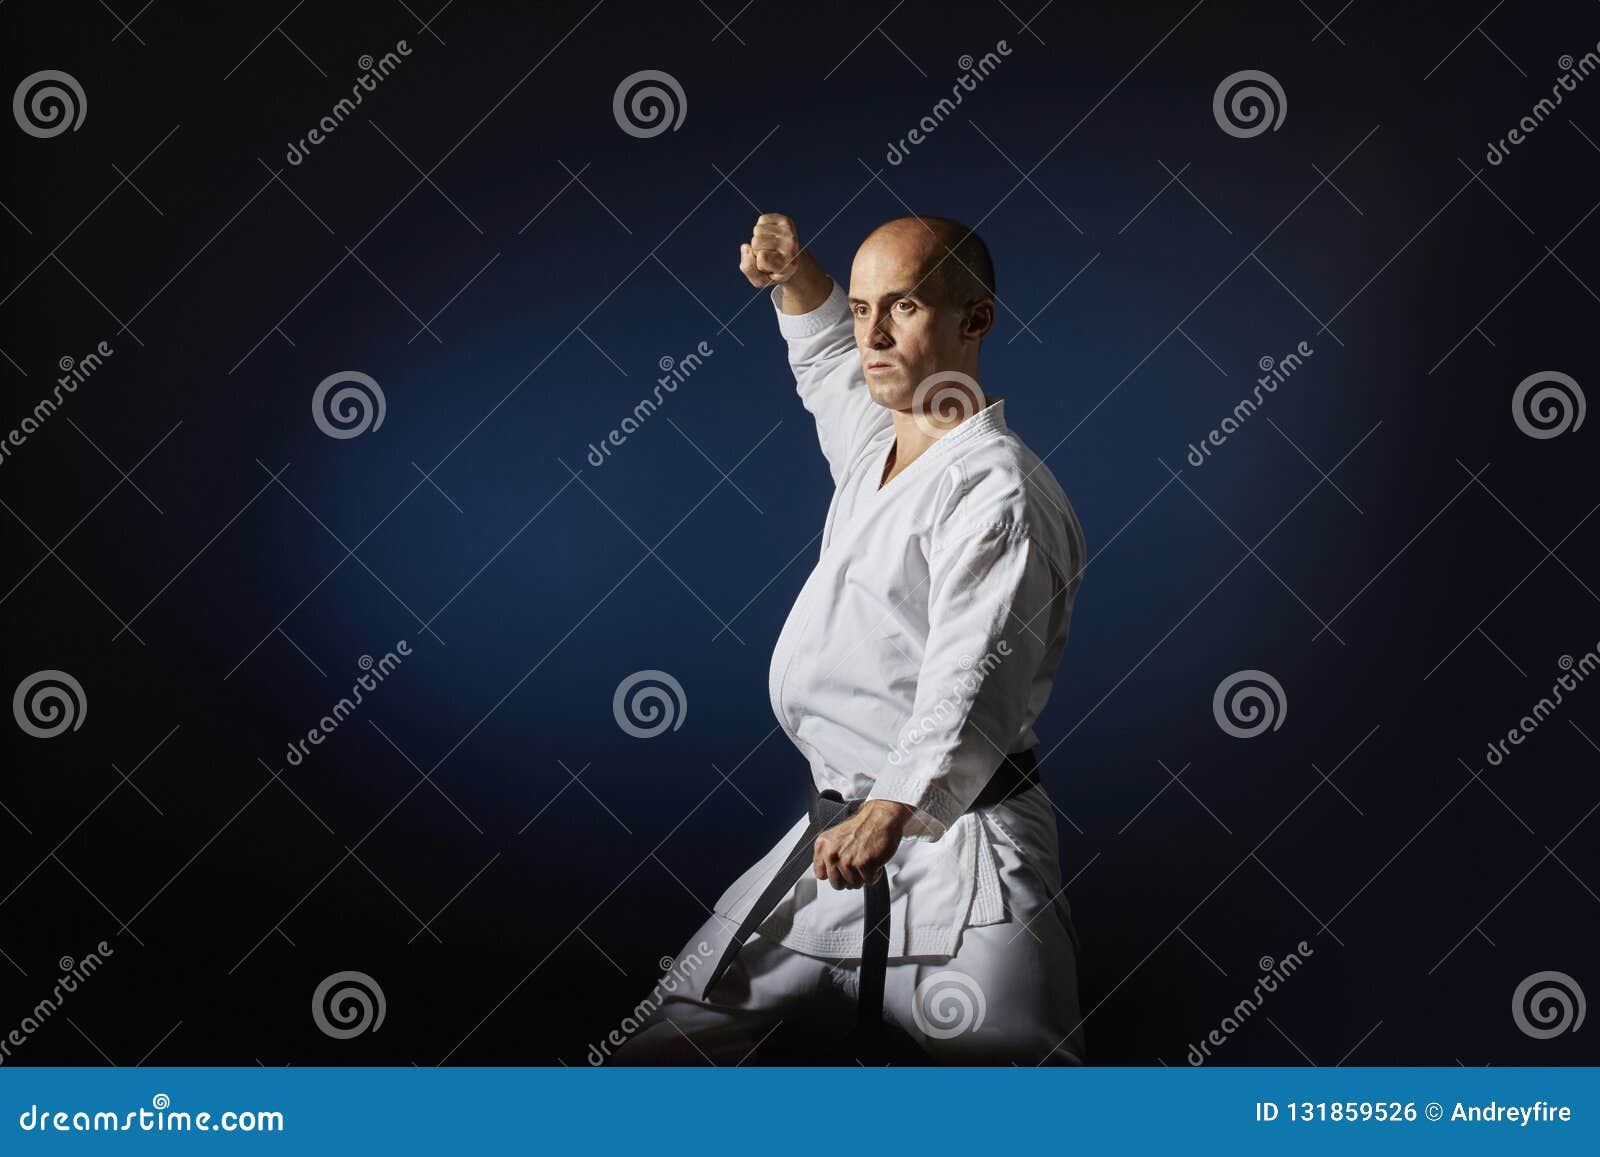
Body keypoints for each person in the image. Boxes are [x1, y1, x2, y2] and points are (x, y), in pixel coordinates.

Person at [610, 212, 1089, 1065]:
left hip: (959, 849)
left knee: (1027, 1096)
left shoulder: (997, 492)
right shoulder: (881, 445)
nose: (873, 335)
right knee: (657, 1053)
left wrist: (894, 806)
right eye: (864, 308)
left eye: (902, 307)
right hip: (834, 842)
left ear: (975, 318)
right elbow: (833, 360)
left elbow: (974, 678)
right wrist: (796, 276)